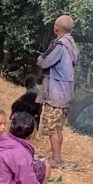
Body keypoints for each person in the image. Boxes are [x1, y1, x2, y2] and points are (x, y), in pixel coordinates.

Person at [37, 14, 80, 168]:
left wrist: (40, 59)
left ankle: (55, 159)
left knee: (52, 127)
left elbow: (45, 62)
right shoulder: (71, 43)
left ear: (56, 28)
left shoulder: (61, 44)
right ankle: (57, 157)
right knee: (58, 127)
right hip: (65, 91)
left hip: (56, 92)